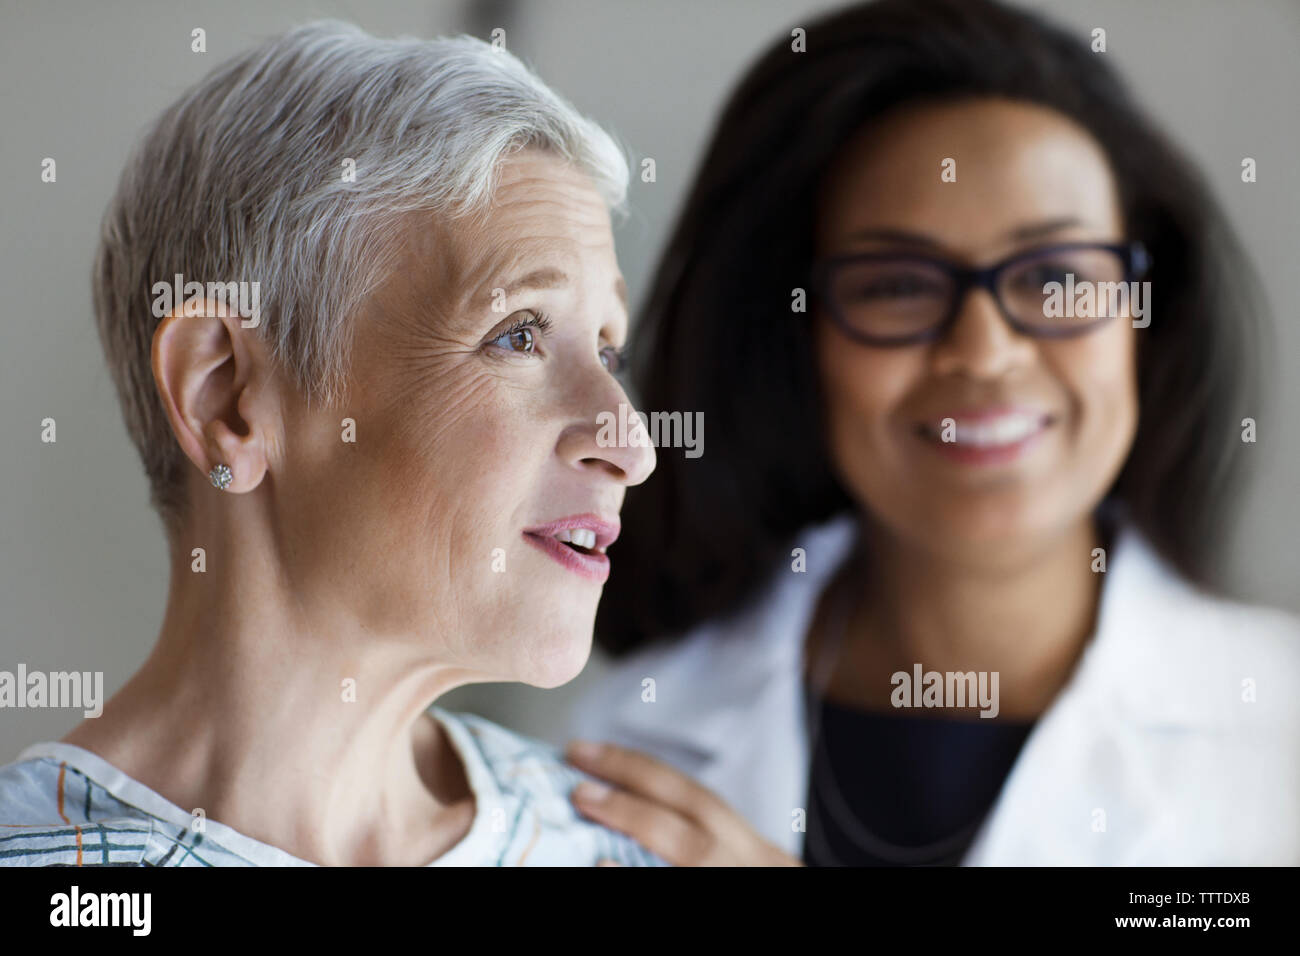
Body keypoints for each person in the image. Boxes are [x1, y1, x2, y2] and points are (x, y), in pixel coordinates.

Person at [563, 0, 1300, 865]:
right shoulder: (637, 729)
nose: (984, 352)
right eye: (896, 285)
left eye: (1057, 276)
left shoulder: (1275, 729)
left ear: (1147, 315)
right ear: (797, 339)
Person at [0, 21, 662, 867]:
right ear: (226, 398)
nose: (631, 444)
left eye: (608, 351)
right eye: (519, 334)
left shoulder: (625, 845)